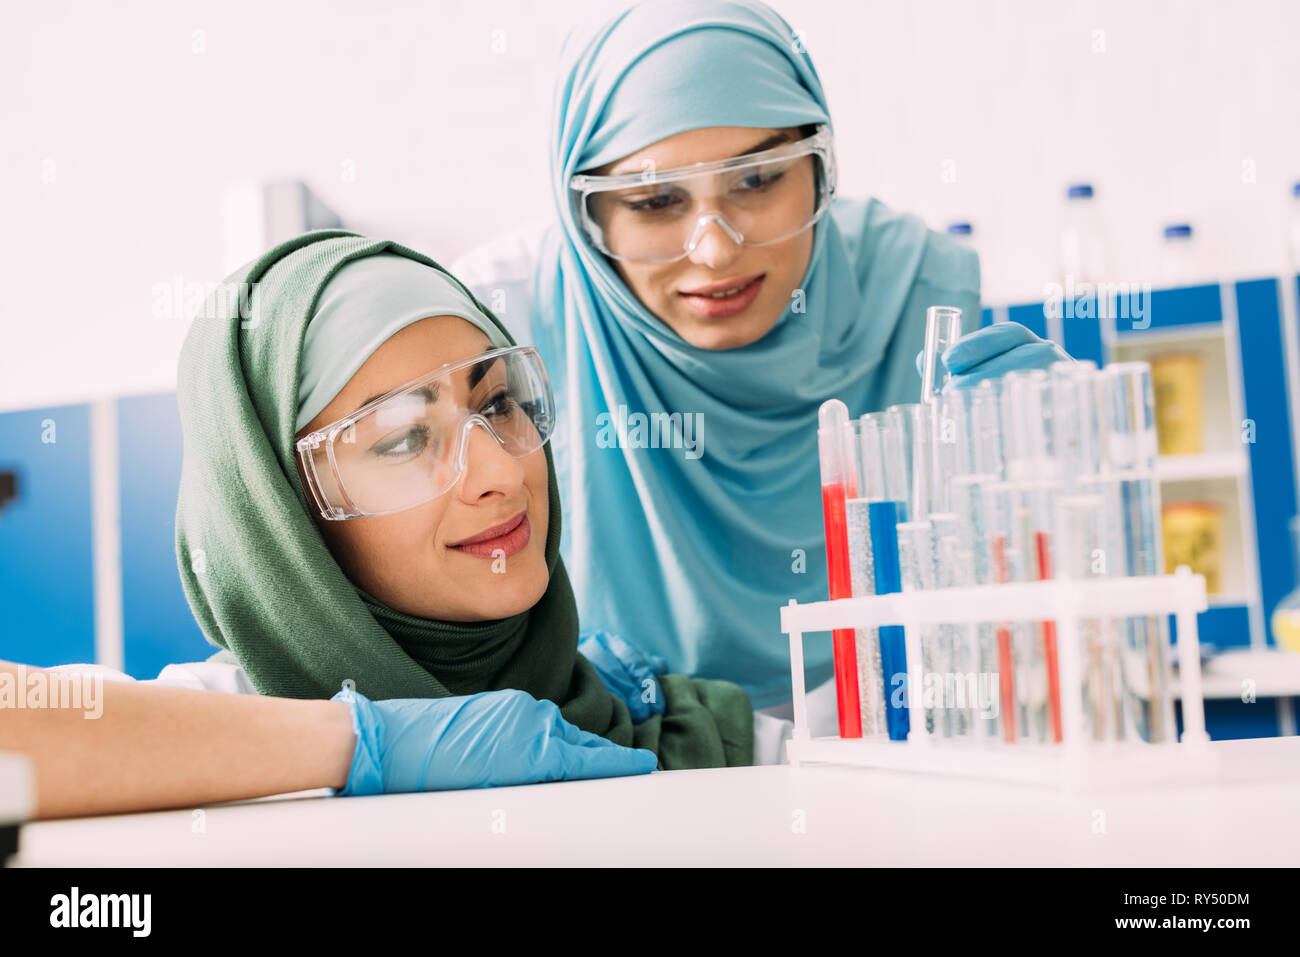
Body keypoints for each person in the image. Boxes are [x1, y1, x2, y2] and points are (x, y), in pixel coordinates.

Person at [452, 0, 1069, 724]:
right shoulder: (500, 326)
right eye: (654, 202)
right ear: (587, 217)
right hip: (628, 763)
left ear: (820, 165)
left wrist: (1049, 459)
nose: (714, 250)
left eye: (757, 181)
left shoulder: (914, 290)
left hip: (892, 747)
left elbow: (1003, 614)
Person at [4, 231, 761, 820]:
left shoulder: (671, 726)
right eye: (403, 440)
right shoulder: (201, 731)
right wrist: (364, 743)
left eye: (498, 403)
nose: (499, 471)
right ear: (286, 520)